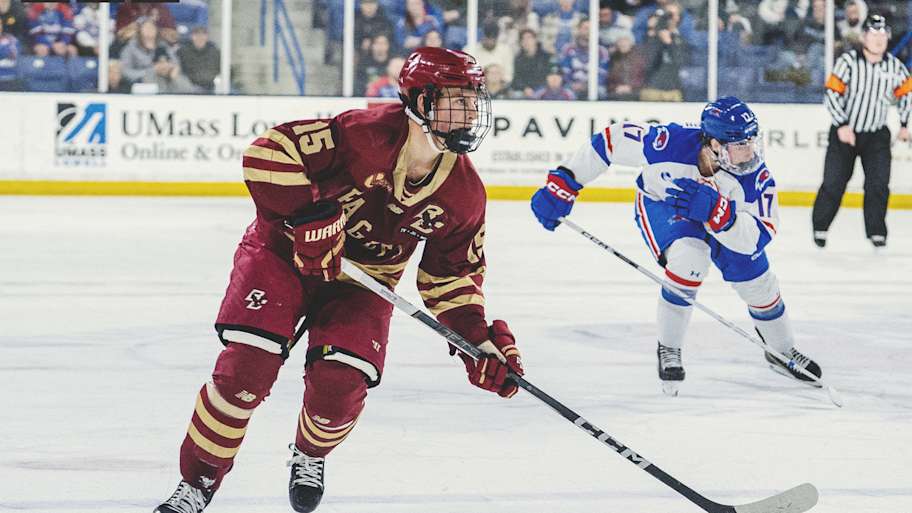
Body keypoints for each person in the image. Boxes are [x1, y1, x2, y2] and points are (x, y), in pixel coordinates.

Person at [153, 47, 524, 513]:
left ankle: (309, 455)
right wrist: (309, 216)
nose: (470, 111)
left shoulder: (464, 195)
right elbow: (269, 152)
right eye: (458, 99)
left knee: (340, 385)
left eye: (474, 100)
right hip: (282, 257)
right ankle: (198, 482)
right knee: (244, 370)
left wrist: (476, 340)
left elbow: (452, 278)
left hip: (363, 282)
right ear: (422, 101)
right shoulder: (360, 134)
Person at [529, 96, 822, 396]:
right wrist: (564, 182)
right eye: (739, 145)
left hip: (725, 221)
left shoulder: (757, 179)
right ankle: (669, 348)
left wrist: (719, 214)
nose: (749, 153)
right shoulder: (668, 143)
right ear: (714, 144)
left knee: (759, 283)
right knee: (689, 259)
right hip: (664, 206)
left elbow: (757, 237)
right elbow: (611, 140)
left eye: (751, 142)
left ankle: (782, 351)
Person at [812, 14, 911, 250]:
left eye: (882, 34)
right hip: (845, 132)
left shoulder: (895, 67)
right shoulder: (847, 62)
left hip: (876, 135)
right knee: (834, 182)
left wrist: (905, 124)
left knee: (878, 184)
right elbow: (832, 94)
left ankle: (876, 231)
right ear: (864, 36)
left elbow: (906, 96)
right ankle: (820, 226)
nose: (878, 39)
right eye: (873, 34)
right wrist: (842, 124)